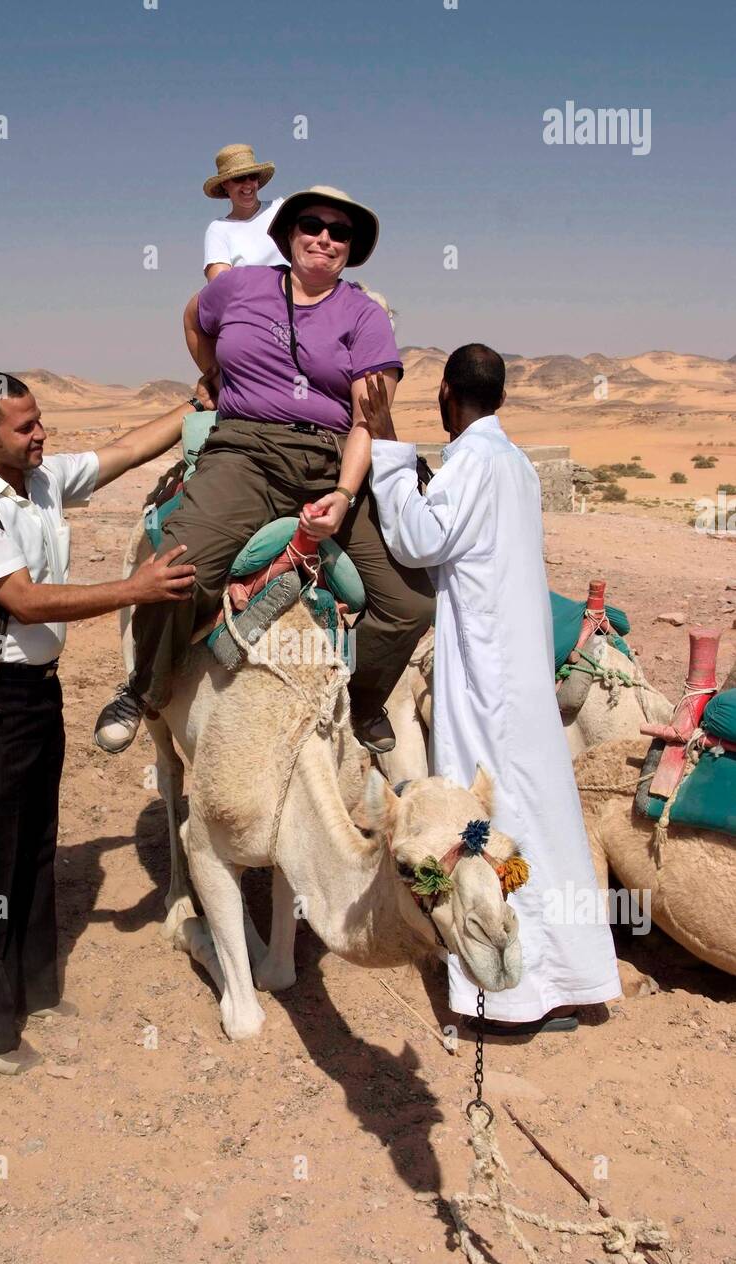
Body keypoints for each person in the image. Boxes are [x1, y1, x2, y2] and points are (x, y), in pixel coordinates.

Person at [94, 186, 434, 755]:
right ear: (288, 232)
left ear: (351, 248)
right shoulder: (239, 287)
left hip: (331, 458)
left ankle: (364, 700)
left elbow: (367, 419)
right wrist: (215, 377)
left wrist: (346, 494)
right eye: (312, 224)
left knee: (411, 605)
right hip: (245, 453)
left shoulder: (364, 315)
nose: (324, 237)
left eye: (339, 231)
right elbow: (194, 316)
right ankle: (143, 689)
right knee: (175, 569)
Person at [0, 371, 204, 1075]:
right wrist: (135, 589)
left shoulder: (41, 479)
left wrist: (194, 406)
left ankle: (34, 987)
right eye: (24, 427)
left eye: (40, 419)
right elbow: (22, 600)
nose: (40, 434)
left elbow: (124, 451)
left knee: (35, 846)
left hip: (35, 695)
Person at [362, 347, 621, 1031]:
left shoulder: (473, 462)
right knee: (541, 813)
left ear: (447, 395)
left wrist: (386, 446)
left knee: (485, 823)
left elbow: (419, 539)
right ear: (498, 395)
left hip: (485, 677)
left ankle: (510, 994)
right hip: (519, 674)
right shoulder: (514, 465)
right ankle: (567, 976)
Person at [202, 143, 285, 281]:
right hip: (249, 302)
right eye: (239, 178)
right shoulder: (218, 229)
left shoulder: (281, 208)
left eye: (252, 176)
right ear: (225, 184)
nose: (247, 184)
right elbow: (219, 286)